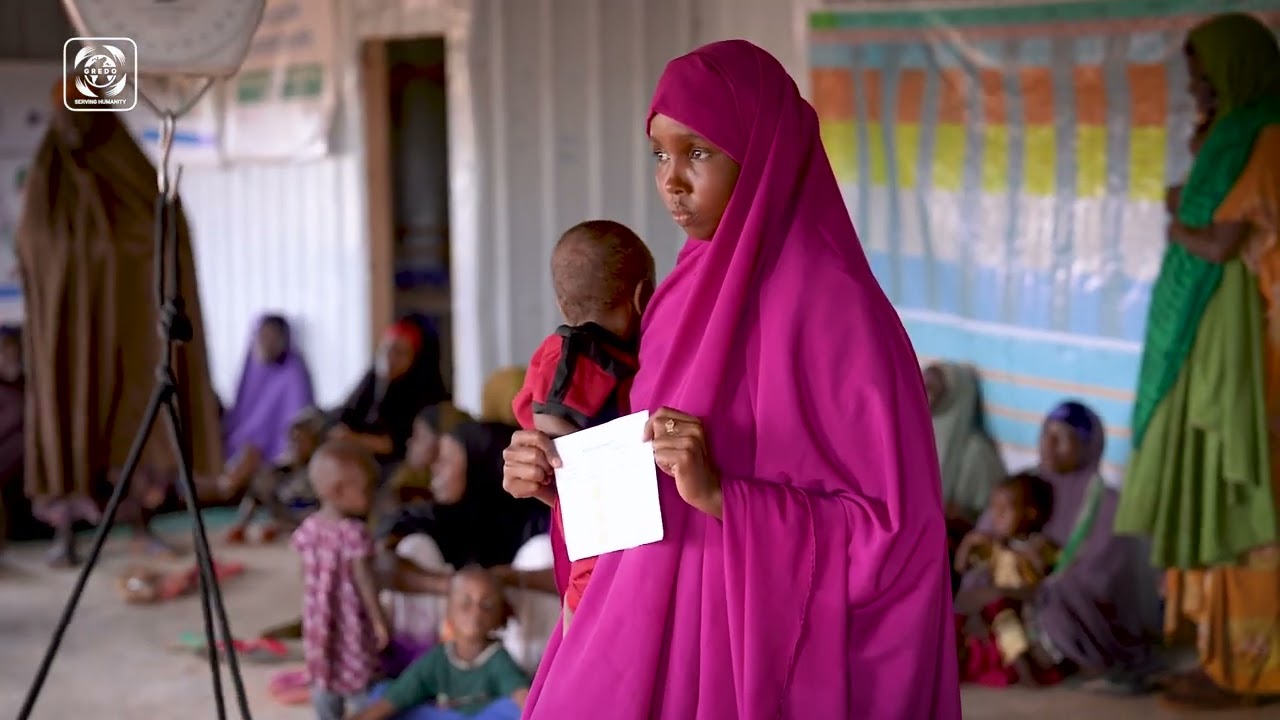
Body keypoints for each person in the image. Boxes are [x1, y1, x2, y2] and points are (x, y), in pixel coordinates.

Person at [500, 40, 959, 718]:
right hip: (652, 625)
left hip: (751, 650)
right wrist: (557, 476)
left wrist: (727, 499)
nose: (672, 180)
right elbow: (643, 471)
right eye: (659, 153)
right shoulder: (678, 294)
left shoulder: (840, 314)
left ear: (764, 151)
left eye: (700, 152)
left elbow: (896, 539)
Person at [1115, 12, 1280, 707]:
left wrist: (1176, 216)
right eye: (1194, 82)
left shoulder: (1267, 138)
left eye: (1206, 79)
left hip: (1251, 349)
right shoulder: (1233, 137)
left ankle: (1252, 670)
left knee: (1244, 500)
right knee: (1214, 490)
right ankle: (1220, 658)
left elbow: (1216, 243)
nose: (1200, 93)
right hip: (1213, 341)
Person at [17, 80, 223, 566]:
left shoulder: (131, 176)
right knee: (69, 418)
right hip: (67, 336)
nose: (75, 127)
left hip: (129, 337)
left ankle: (139, 523)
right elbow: (36, 249)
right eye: (66, 115)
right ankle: (65, 532)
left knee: (134, 422)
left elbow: (162, 234)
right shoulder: (47, 186)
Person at [511, 219, 655, 628]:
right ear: (643, 296)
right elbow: (552, 429)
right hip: (593, 520)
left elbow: (523, 404)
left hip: (609, 517)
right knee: (584, 623)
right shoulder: (578, 355)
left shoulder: (590, 355)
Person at [380, 418, 557, 675]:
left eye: (446, 460)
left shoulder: (538, 513)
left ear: (479, 466)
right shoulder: (433, 516)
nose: (435, 468)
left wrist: (504, 580)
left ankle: (523, 675)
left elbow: (583, 577)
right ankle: (430, 669)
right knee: (413, 547)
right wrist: (457, 586)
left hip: (521, 647)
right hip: (448, 636)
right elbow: (380, 565)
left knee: (542, 551)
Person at [293, 439, 391, 720]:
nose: (372, 497)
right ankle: (365, 712)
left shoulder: (308, 529)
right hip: (350, 621)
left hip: (318, 620)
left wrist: (312, 608)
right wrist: (378, 618)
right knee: (359, 674)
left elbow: (305, 574)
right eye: (366, 490)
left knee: (323, 673)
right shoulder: (353, 533)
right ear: (337, 491)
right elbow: (365, 581)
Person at [357, 566, 530, 720]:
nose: (476, 612)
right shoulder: (437, 658)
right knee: (383, 694)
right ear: (449, 610)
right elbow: (396, 698)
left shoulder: (497, 659)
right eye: (465, 602)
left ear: (499, 616)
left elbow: (523, 698)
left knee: (512, 709)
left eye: (487, 605)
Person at [954, 472, 1059, 686]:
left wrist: (1033, 559)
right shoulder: (993, 547)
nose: (996, 516)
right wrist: (967, 545)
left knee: (1002, 611)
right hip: (992, 608)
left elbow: (1046, 582)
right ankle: (950, 660)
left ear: (1029, 513)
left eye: (1005, 510)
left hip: (1023, 610)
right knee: (958, 609)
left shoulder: (1038, 545)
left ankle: (1024, 666)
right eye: (994, 509)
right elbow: (960, 568)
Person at [218, 314, 314, 495]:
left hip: (275, 451)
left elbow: (294, 420)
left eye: (272, 337)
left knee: (248, 460)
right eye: (261, 336)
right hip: (239, 445)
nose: (265, 343)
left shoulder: (292, 372)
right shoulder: (252, 366)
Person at [334, 318, 447, 469]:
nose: (390, 358)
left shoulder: (422, 394)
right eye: (386, 349)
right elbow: (345, 415)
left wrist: (353, 438)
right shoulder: (372, 381)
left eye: (399, 352)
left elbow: (397, 444)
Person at [223, 406, 327, 543]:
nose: (297, 443)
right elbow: (266, 481)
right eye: (294, 439)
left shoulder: (326, 463)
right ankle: (242, 526)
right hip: (290, 511)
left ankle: (286, 528)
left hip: (315, 514)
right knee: (262, 480)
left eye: (302, 440)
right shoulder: (288, 461)